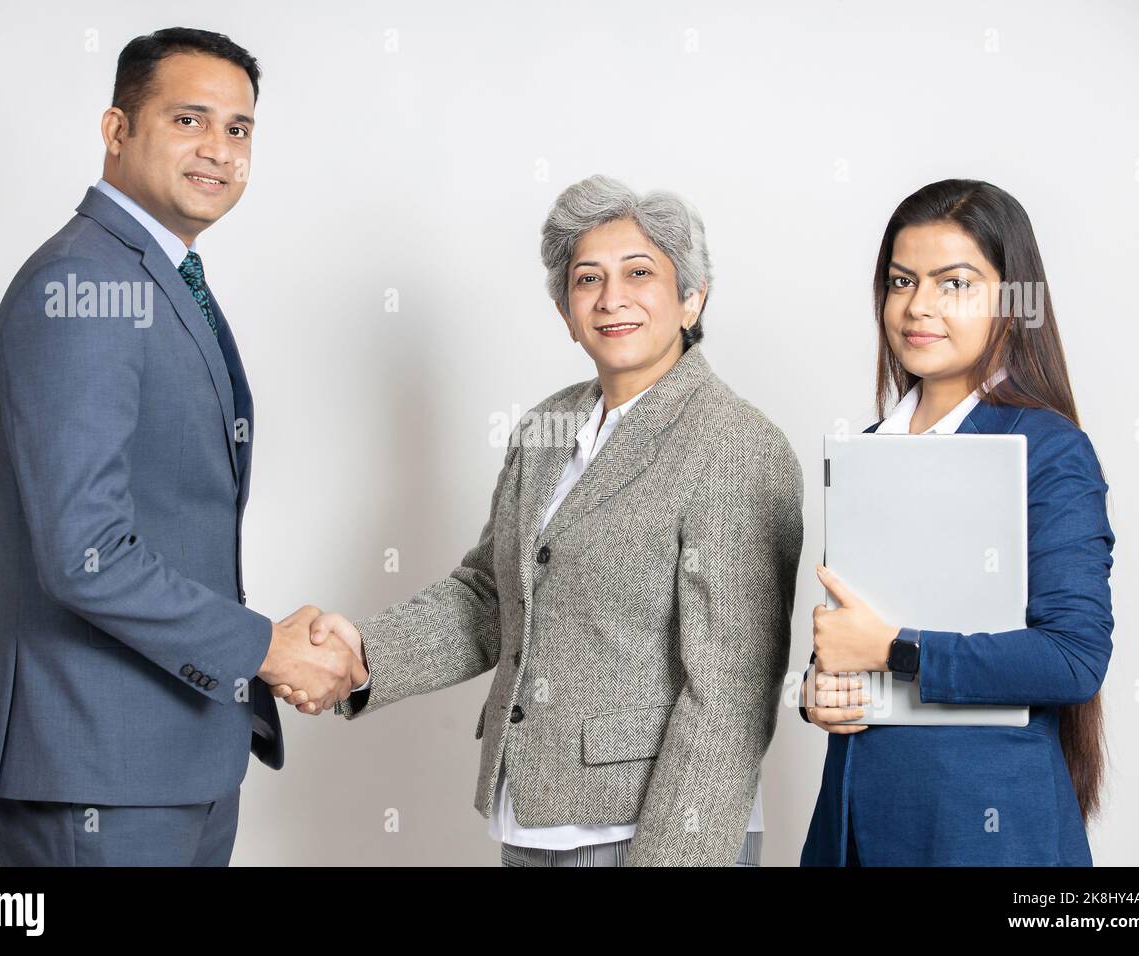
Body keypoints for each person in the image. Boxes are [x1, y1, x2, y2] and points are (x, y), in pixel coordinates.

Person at [276, 175, 803, 866]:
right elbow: (492, 599)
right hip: (528, 824)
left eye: (639, 273)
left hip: (652, 838)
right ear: (565, 310)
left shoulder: (734, 444)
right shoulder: (548, 428)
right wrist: (360, 656)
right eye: (588, 279)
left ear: (691, 297)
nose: (612, 298)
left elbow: (728, 696)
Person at [0, 27, 364, 867]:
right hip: (99, 769)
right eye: (190, 120)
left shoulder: (156, 273)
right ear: (117, 129)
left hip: (179, 757)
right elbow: (86, 554)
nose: (219, 151)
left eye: (239, 129)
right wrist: (264, 647)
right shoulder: (83, 286)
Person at [799, 179, 1115, 866]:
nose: (919, 307)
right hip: (852, 822)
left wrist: (894, 650)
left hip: (982, 832)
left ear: (1012, 300)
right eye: (902, 280)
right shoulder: (865, 447)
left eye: (955, 284)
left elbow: (1073, 659)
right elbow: (851, 633)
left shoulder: (1049, 448)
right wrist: (816, 690)